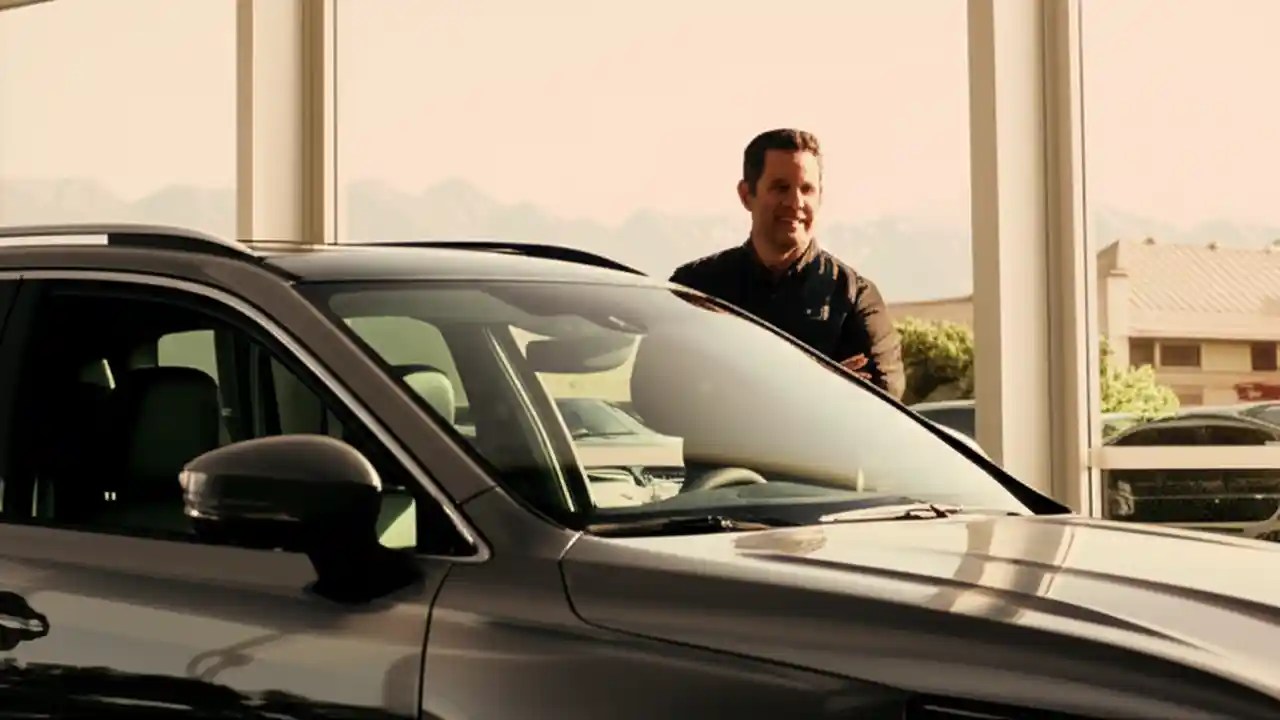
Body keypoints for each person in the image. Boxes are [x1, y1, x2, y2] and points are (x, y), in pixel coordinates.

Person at [669, 128, 905, 400]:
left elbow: (881, 403)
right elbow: (658, 392)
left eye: (807, 189)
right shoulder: (697, 289)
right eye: (781, 188)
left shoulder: (853, 297)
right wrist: (820, 387)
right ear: (746, 195)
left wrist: (730, 384)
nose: (796, 203)